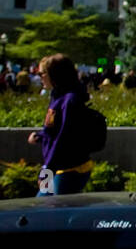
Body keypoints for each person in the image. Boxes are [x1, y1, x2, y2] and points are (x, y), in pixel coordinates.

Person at [28, 54, 96, 196]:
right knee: (42, 205)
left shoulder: (70, 100)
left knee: (52, 210)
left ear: (54, 74)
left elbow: (62, 139)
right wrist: (40, 137)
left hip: (70, 170)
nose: (39, 77)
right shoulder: (57, 96)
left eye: (42, 73)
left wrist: (46, 172)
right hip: (56, 167)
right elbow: (54, 130)